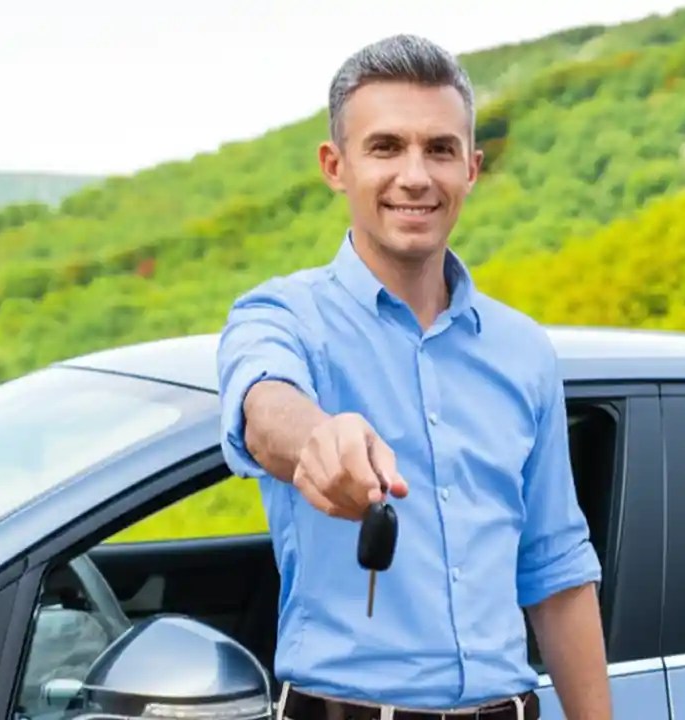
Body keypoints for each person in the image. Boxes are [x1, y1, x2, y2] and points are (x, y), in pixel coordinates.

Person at [215, 34, 612, 720]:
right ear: (335, 165)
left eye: (440, 149)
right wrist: (322, 440)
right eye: (386, 147)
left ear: (472, 168)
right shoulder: (282, 315)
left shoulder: (524, 353)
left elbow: (556, 570)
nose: (416, 175)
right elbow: (263, 406)